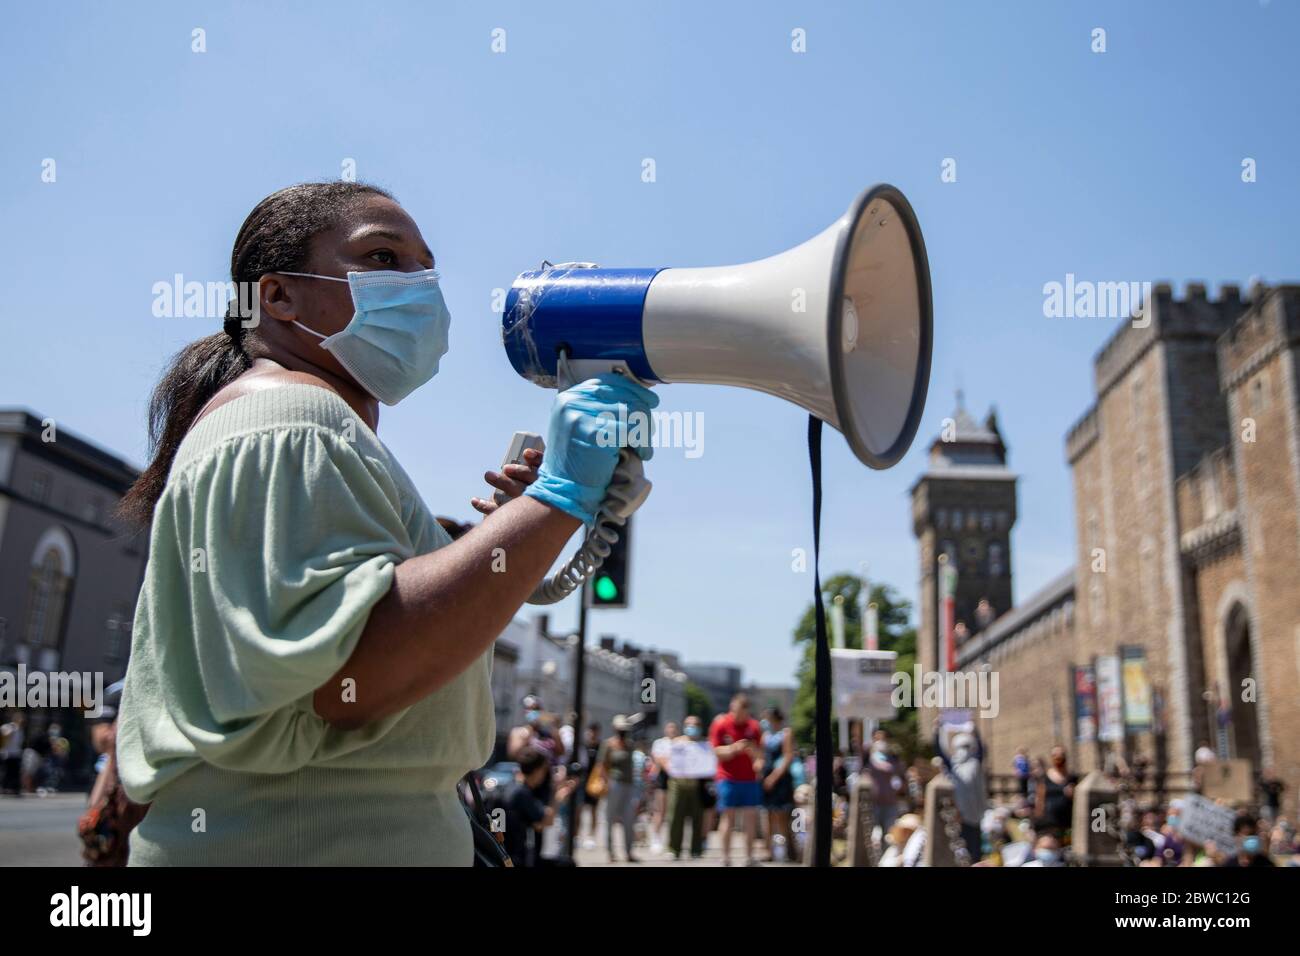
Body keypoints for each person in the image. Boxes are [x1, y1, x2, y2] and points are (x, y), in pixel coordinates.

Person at [113, 181, 657, 865]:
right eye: (381, 257)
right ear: (276, 296)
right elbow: (350, 677)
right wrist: (558, 499)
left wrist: (522, 528)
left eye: (425, 264)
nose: (418, 283)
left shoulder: (314, 425)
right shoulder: (292, 420)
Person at [496, 746, 577, 867]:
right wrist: (558, 798)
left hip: (507, 857)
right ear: (538, 770)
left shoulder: (509, 787)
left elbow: (537, 824)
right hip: (517, 859)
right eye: (544, 770)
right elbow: (545, 821)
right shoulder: (521, 793)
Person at [709, 694, 764, 866]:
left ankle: (749, 857)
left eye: (742, 712)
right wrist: (734, 748)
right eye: (736, 711)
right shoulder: (721, 723)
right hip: (727, 778)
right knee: (728, 817)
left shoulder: (754, 726)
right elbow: (715, 751)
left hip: (749, 779)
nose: (739, 716)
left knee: (750, 817)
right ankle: (725, 857)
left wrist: (756, 759)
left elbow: (760, 755)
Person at [934, 725, 987, 862]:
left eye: (966, 746)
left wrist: (975, 730)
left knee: (976, 848)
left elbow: (981, 751)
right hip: (960, 813)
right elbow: (940, 752)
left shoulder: (975, 763)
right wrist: (937, 731)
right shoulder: (953, 765)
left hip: (975, 811)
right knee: (961, 848)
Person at [599, 715, 641, 863]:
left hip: (629, 785)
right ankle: (610, 852)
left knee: (629, 819)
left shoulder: (630, 745)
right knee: (610, 819)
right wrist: (606, 783)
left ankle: (629, 852)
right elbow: (602, 766)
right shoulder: (608, 745)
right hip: (614, 784)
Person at [665, 716, 708, 860]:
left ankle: (696, 849)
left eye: (695, 725)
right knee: (675, 817)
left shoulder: (704, 744)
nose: (692, 727)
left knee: (697, 818)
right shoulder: (677, 743)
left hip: (696, 785)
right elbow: (667, 761)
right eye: (689, 725)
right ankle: (674, 849)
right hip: (678, 784)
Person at [761, 708, 796, 862]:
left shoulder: (786, 733)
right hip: (766, 776)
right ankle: (769, 851)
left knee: (782, 815)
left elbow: (788, 757)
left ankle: (787, 850)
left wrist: (774, 777)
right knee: (767, 815)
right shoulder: (765, 736)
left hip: (780, 778)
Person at [864, 729, 903, 835]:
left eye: (883, 737)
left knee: (890, 832)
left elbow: (895, 771)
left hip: (890, 801)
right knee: (873, 833)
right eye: (877, 738)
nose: (880, 740)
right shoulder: (868, 758)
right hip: (875, 801)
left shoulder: (893, 757)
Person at [649, 721, 679, 854]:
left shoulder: (680, 742)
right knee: (660, 810)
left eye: (674, 727)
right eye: (669, 727)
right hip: (664, 778)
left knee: (673, 812)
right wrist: (670, 767)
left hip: (677, 778)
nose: (672, 730)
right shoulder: (660, 743)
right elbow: (658, 758)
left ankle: (672, 841)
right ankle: (656, 838)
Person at [1034, 745, 1077, 835]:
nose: (1058, 757)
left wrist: (1073, 793)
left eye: (1061, 755)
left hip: (1068, 820)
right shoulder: (1044, 778)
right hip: (1050, 821)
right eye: (1055, 755)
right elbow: (1039, 799)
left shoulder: (1072, 778)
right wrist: (1038, 818)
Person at [1, 712, 25, 795]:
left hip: (16, 753)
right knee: (7, 772)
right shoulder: (8, 727)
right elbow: (5, 736)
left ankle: (15, 789)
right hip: (8, 754)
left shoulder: (20, 730)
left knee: (16, 772)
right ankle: (5, 787)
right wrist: (12, 730)